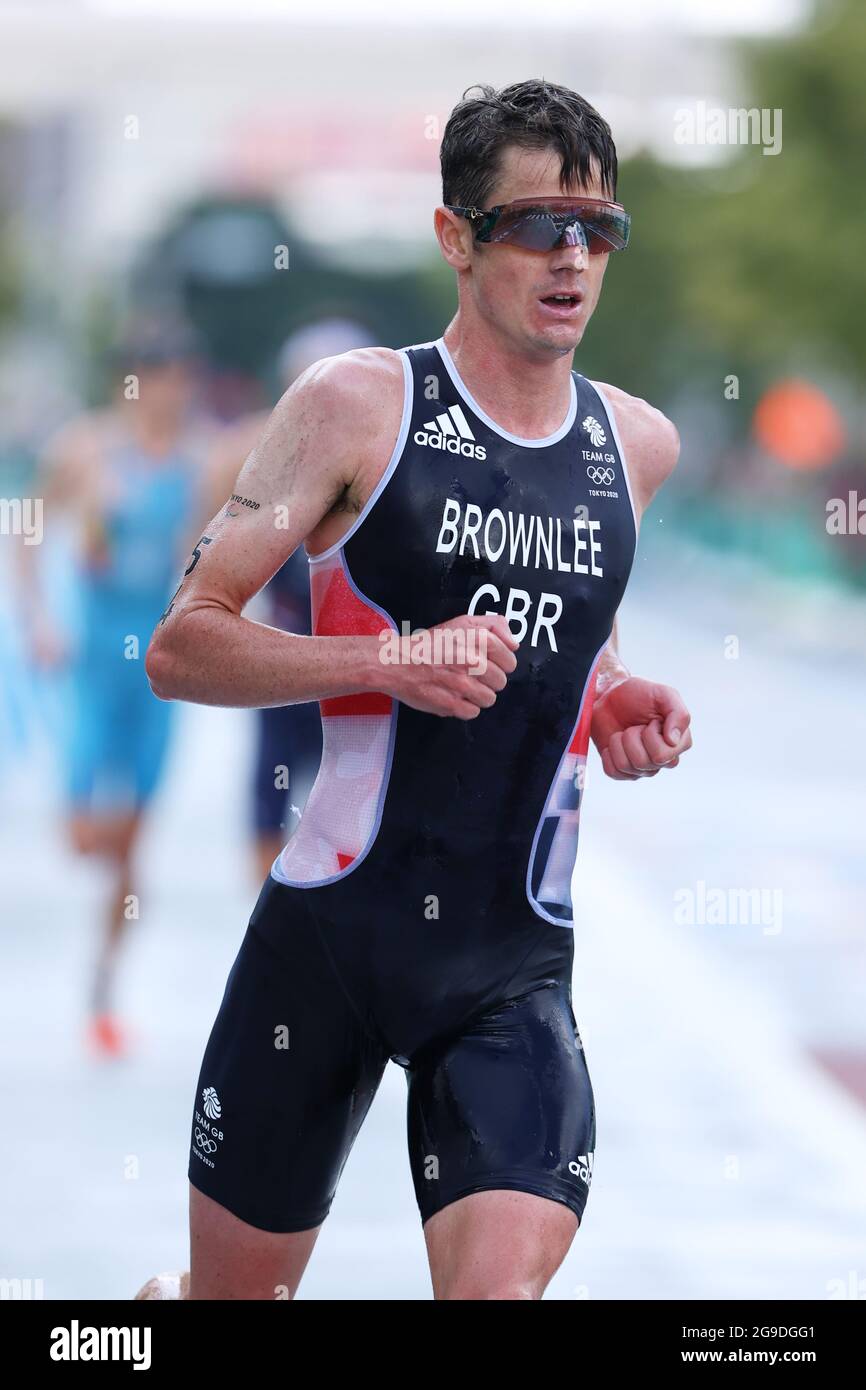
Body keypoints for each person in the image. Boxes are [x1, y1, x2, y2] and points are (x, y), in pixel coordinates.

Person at [140, 79, 692, 1301]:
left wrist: (610, 699)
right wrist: (381, 660)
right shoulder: (354, 408)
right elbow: (181, 645)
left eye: (595, 229)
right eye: (535, 224)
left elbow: (568, 641)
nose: (570, 257)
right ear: (455, 237)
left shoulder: (634, 444)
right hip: (327, 949)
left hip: (508, 974)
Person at [21, 321, 216, 1057]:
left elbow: (210, 556)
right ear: (133, 380)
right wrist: (39, 616)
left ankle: (104, 983)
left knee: (133, 843)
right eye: (161, 376)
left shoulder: (200, 465)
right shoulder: (86, 449)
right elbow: (26, 524)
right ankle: (114, 893)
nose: (175, 391)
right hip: (92, 666)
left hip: (156, 673)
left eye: (182, 377)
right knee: (83, 840)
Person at [208, 319, 375, 882]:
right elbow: (208, 533)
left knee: (359, 807)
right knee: (270, 789)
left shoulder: (386, 455)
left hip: (359, 658)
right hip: (288, 641)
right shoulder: (255, 449)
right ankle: (266, 918)